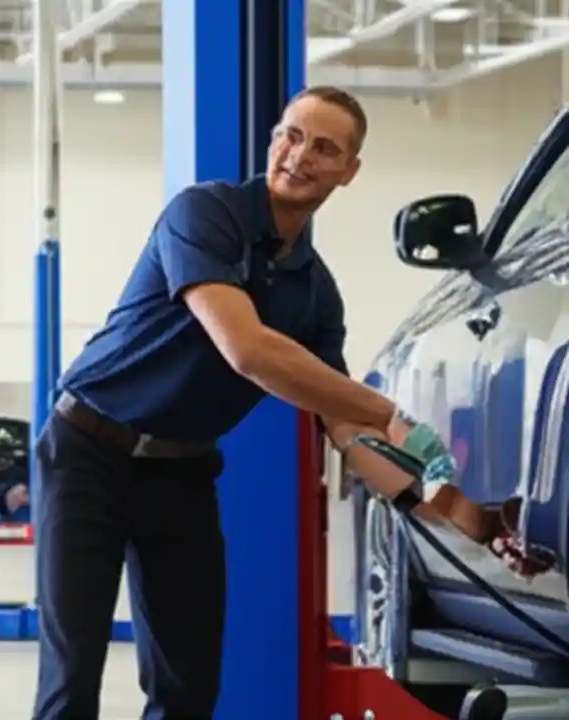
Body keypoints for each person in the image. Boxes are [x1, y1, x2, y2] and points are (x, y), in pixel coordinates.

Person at [30, 86, 459, 720]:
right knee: (73, 673)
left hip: (181, 474)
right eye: (291, 135)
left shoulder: (315, 294)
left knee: (189, 683)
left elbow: (341, 426)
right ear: (273, 138)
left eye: (324, 148)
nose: (299, 155)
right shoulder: (205, 213)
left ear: (349, 171)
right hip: (88, 450)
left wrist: (448, 508)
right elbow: (247, 350)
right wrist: (387, 410)